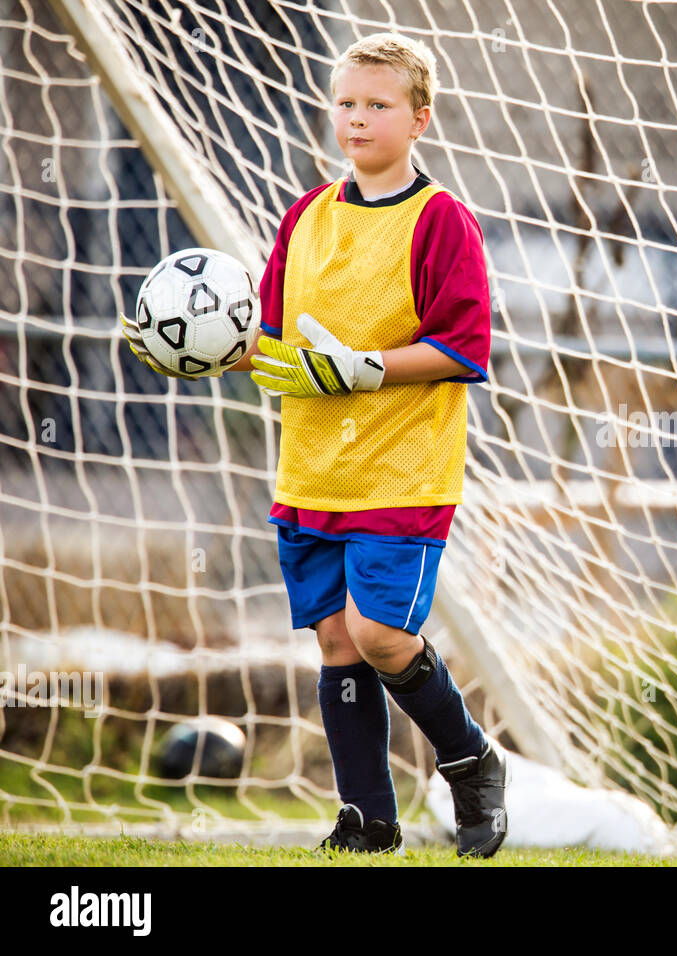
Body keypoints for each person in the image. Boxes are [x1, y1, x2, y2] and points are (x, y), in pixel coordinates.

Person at [121, 32, 506, 858]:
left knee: (380, 635)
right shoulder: (306, 217)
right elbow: (266, 342)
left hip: (402, 473)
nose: (358, 118)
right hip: (313, 467)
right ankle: (368, 819)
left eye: (378, 105)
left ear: (420, 119)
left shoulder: (443, 223)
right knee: (335, 642)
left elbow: (463, 348)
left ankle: (471, 759)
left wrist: (365, 369)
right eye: (346, 103)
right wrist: (191, 346)